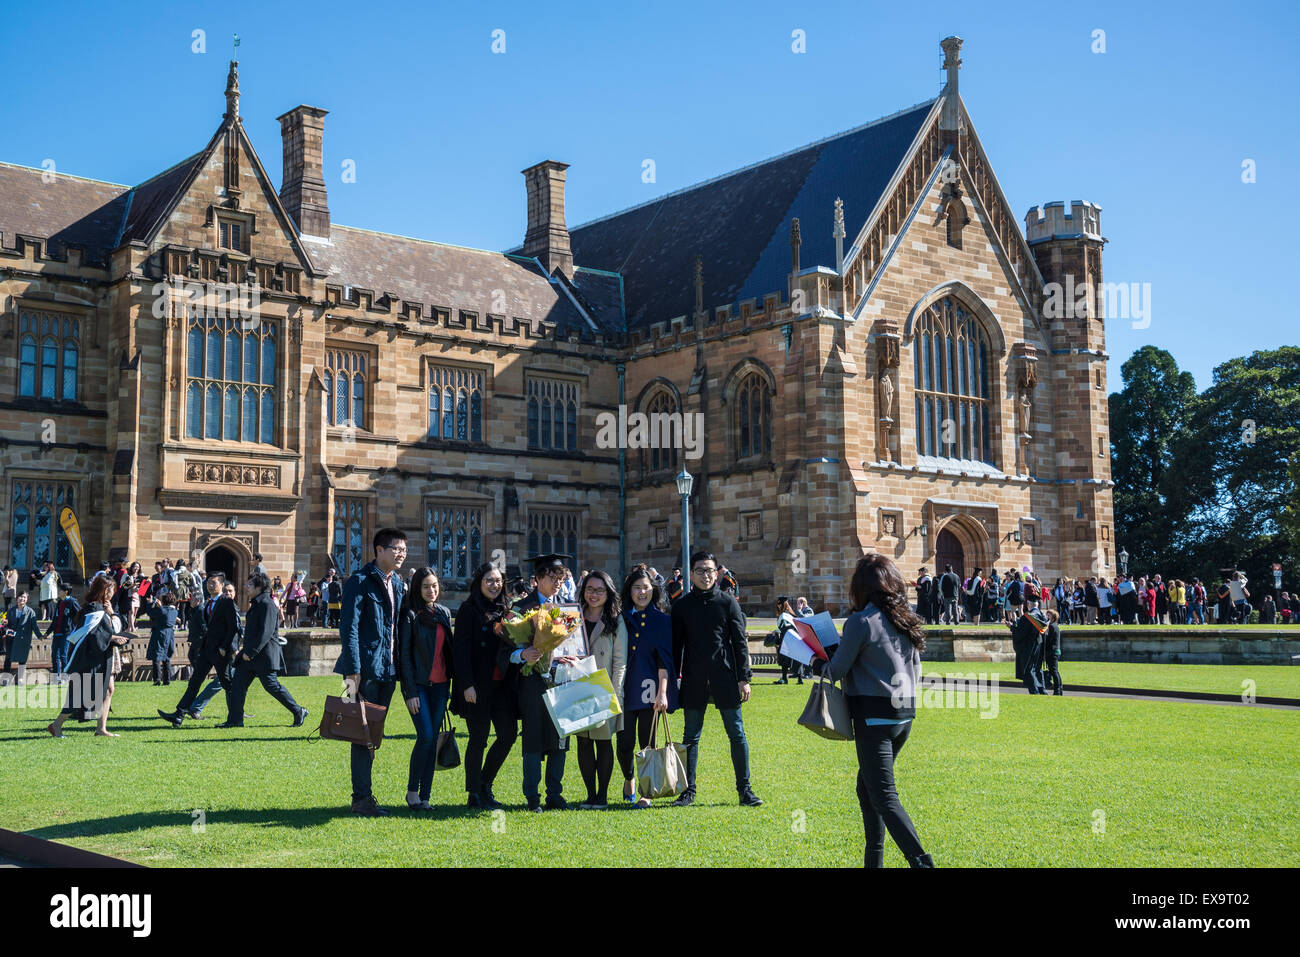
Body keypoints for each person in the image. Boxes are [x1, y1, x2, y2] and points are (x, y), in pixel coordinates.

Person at [812, 553, 934, 868]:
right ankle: (873, 863)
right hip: (904, 714)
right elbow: (916, 667)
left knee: (883, 796)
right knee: (867, 790)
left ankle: (922, 861)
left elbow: (836, 670)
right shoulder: (904, 618)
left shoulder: (860, 621)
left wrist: (812, 661)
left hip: (873, 716)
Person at [670, 550, 761, 808]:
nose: (706, 575)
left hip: (725, 676)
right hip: (693, 678)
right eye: (700, 571)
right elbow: (676, 648)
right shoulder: (682, 606)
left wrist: (744, 678)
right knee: (691, 737)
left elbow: (739, 643)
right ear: (691, 574)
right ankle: (688, 791)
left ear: (717, 573)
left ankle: (745, 791)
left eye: (710, 571)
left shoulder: (728, 602)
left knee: (737, 734)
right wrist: (673, 682)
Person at [335, 528, 408, 816]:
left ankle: (364, 795)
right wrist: (352, 672)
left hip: (388, 671)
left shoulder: (398, 583)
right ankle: (361, 799)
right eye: (395, 549)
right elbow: (348, 628)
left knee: (373, 735)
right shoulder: (360, 581)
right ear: (379, 550)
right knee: (360, 734)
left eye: (403, 549)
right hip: (364, 671)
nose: (401, 553)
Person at [501, 553, 573, 812]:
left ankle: (555, 793)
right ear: (538, 579)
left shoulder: (567, 608)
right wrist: (522, 654)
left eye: (561, 578)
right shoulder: (522, 607)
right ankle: (532, 796)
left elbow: (576, 643)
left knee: (560, 736)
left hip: (560, 680)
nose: (558, 583)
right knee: (532, 737)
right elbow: (504, 647)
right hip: (531, 681)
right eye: (552, 578)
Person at [454, 562, 518, 810]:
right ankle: (474, 793)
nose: (494, 585)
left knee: (508, 734)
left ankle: (485, 783)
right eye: (489, 581)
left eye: (498, 580)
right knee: (478, 739)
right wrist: (466, 685)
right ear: (479, 583)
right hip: (477, 686)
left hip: (502, 685)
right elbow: (460, 652)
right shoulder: (468, 610)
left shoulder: (507, 610)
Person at [396, 567, 454, 810]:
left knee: (433, 740)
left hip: (441, 688)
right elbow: (405, 656)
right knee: (426, 736)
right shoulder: (409, 614)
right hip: (418, 686)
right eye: (426, 586)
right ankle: (412, 792)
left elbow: (449, 653)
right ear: (417, 588)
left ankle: (426, 796)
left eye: (434, 586)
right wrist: (409, 692)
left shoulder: (443, 613)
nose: (431, 591)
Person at [618, 566, 675, 807]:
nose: (642, 592)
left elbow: (664, 660)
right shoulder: (620, 617)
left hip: (649, 687)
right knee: (623, 742)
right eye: (637, 587)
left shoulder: (662, 620)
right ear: (629, 591)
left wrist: (663, 693)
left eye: (646, 587)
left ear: (654, 590)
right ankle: (629, 777)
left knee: (647, 741)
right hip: (624, 687)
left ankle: (645, 791)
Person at [47, 577, 130, 738]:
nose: (113, 593)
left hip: (103, 655)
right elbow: (90, 634)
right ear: (105, 590)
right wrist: (112, 638)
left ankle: (101, 728)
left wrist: (112, 613)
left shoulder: (105, 608)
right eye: (111, 589)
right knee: (81, 693)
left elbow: (116, 627)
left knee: (108, 690)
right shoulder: (92, 609)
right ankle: (56, 724)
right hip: (90, 657)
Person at [224, 572, 308, 729]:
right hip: (250, 655)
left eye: (249, 585)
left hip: (262, 656)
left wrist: (251, 652)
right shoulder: (257, 603)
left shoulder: (267, 604)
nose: (246, 587)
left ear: (259, 587)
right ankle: (235, 720)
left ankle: (298, 711)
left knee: (272, 686)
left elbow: (266, 632)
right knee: (237, 685)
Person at [573, 569, 628, 809]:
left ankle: (602, 796)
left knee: (603, 742)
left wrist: (615, 693)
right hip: (577, 686)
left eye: (599, 590)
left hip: (604, 687)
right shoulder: (573, 616)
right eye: (589, 589)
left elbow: (620, 660)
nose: (593, 594)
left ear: (608, 592)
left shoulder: (616, 619)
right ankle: (590, 795)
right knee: (583, 741)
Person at [156, 574, 240, 727]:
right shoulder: (208, 602)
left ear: (221, 584)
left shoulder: (226, 602)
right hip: (207, 650)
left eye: (213, 583)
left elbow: (234, 628)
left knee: (228, 684)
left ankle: (235, 718)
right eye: (208, 582)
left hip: (220, 652)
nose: (210, 585)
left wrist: (225, 647)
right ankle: (179, 714)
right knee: (194, 682)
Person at [43, 582, 80, 681]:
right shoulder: (59, 602)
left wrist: (75, 628)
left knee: (64, 655)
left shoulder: (72, 602)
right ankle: (56, 678)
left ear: (66, 591)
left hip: (66, 633)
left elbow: (79, 615)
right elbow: (55, 619)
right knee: (55, 655)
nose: (58, 592)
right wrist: (48, 632)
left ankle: (65, 677)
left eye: (60, 590)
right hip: (57, 633)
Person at [1009, 608, 1048, 694]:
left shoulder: (1027, 617)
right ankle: (1042, 690)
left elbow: (1020, 633)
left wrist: (1011, 627)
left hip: (1029, 647)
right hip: (1039, 644)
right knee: (1038, 668)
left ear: (1029, 604)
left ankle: (1034, 691)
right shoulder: (1042, 615)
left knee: (1029, 668)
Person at [143, 592, 178, 686]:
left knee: (156, 657)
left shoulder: (162, 610)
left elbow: (151, 613)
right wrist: (160, 606)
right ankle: (167, 680)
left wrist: (150, 603)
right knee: (166, 658)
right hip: (170, 634)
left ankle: (157, 680)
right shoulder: (174, 611)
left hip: (160, 634)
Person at [2, 593, 37, 683]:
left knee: (22, 659)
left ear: (27, 599)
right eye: (20, 597)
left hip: (22, 639)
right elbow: (5, 625)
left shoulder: (30, 611)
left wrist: (41, 635)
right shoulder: (10, 611)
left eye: (24, 597)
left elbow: (34, 626)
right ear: (17, 598)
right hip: (11, 638)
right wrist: (8, 631)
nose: (22, 599)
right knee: (8, 658)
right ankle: (6, 678)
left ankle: (20, 679)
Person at [771, 597, 801, 684]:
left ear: (782, 605)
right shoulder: (792, 615)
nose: (778, 606)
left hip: (786, 638)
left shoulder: (783, 615)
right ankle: (799, 679)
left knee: (784, 658)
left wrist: (775, 631)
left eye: (779, 604)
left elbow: (783, 627)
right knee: (797, 658)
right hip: (796, 638)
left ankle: (784, 678)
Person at [1042, 609, 1063, 695]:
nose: (1047, 617)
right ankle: (1059, 689)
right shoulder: (1054, 626)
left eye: (1049, 615)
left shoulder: (1052, 626)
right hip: (1054, 651)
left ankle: (1057, 690)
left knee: (1054, 671)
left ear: (1053, 617)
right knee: (1054, 671)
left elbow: (1049, 640)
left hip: (1052, 651)